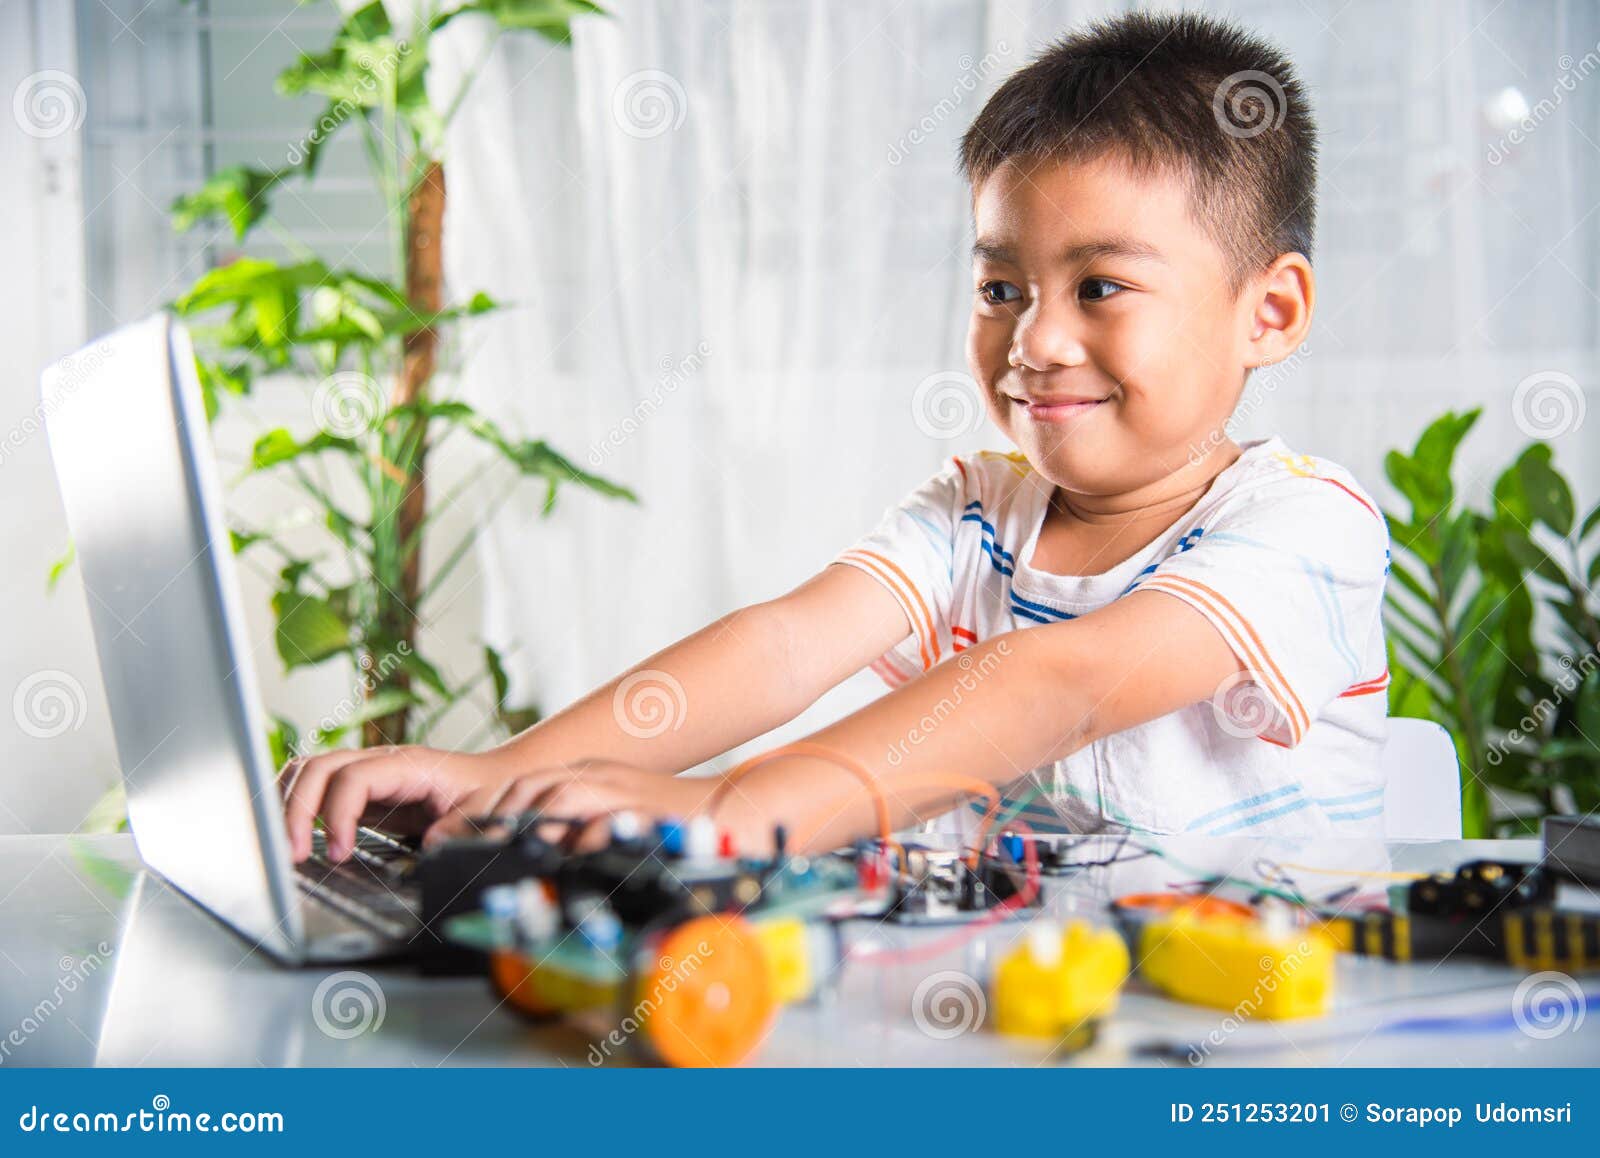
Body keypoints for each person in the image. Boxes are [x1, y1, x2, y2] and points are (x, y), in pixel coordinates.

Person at [280, 11, 1390, 862]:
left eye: (1099, 285)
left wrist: (733, 809)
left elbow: (1059, 679)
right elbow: (783, 646)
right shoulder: (977, 508)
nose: (1036, 340)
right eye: (1000, 286)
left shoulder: (1303, 525)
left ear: (1271, 312)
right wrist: (500, 775)